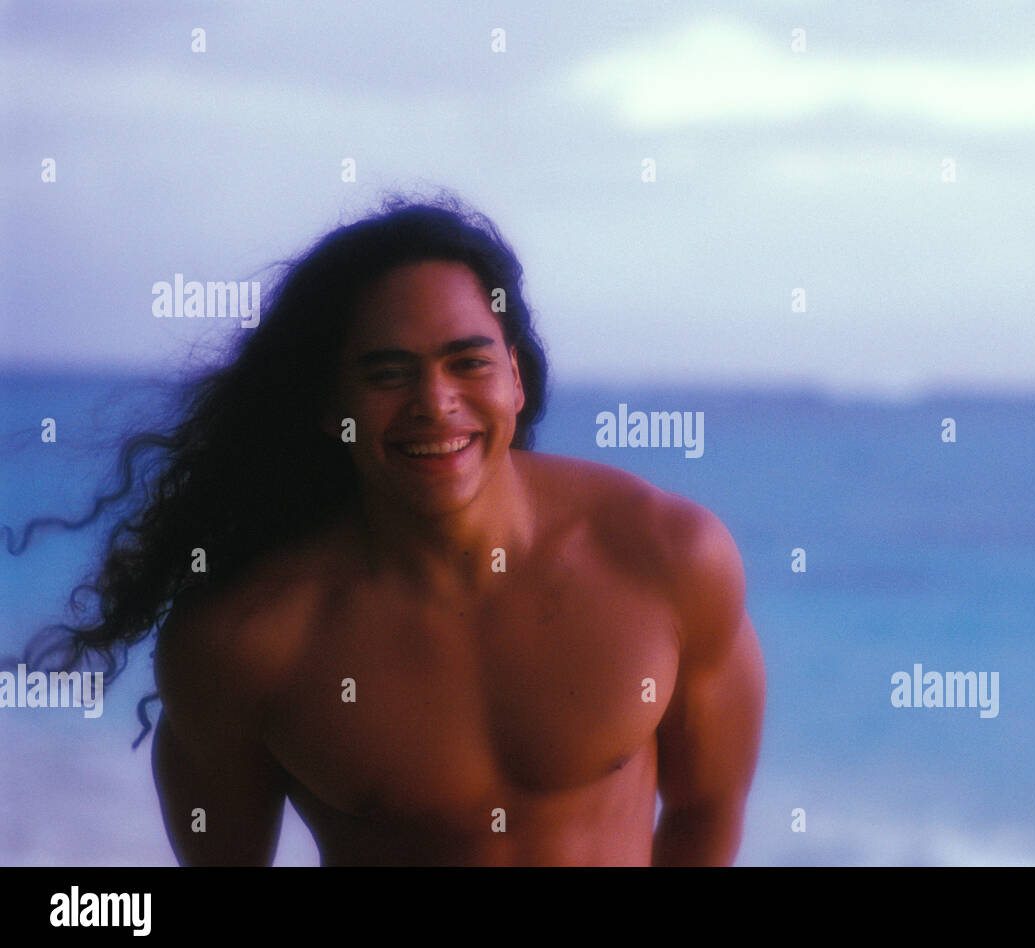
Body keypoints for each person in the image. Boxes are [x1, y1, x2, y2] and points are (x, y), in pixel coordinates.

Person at [126, 194, 766, 865]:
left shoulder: (668, 559)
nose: (434, 403)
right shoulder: (245, 642)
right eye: (388, 374)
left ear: (514, 377)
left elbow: (708, 810)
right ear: (326, 403)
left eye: (468, 362)